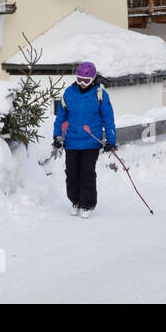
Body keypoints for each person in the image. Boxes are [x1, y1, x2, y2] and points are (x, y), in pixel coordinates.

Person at [52, 61, 117, 217]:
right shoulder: (69, 93)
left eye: (86, 81)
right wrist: (57, 136)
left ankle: (87, 204)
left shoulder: (100, 94)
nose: (82, 83)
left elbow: (108, 118)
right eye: (79, 79)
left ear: (93, 79)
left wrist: (111, 140)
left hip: (91, 141)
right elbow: (61, 117)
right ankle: (75, 201)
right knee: (72, 173)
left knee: (87, 172)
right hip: (72, 141)